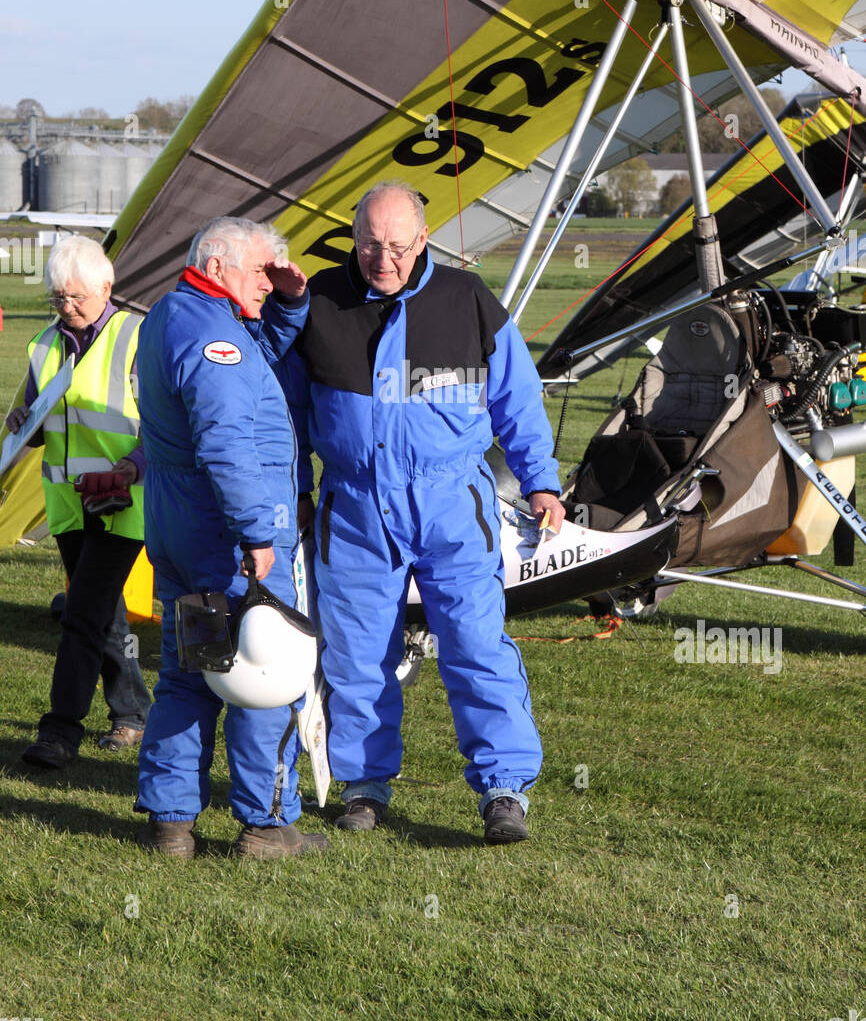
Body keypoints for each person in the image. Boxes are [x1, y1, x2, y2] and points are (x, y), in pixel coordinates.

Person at [278, 181, 565, 844]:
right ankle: (363, 784)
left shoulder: (468, 302)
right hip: (352, 505)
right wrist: (296, 490)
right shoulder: (317, 302)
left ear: (424, 239)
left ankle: (504, 789)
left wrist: (541, 482)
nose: (384, 260)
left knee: (475, 642)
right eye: (371, 245)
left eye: (399, 247)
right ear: (354, 239)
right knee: (354, 653)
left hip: (451, 504)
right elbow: (288, 414)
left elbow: (517, 400)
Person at [133, 217, 328, 860]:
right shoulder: (215, 337)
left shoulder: (177, 314)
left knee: (191, 671)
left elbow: (254, 359)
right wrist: (255, 532)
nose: (267, 287)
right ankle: (266, 827)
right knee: (263, 676)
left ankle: (170, 824)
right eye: (258, 274)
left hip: (181, 524)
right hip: (230, 535)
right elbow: (226, 442)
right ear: (217, 267)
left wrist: (291, 303)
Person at [6, 234, 152, 769]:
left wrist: (134, 465)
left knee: (81, 616)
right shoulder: (43, 345)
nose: (67, 308)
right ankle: (133, 711)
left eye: (76, 298)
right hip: (68, 506)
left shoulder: (136, 336)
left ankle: (59, 731)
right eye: (58, 299)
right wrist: (20, 423)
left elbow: (162, 423)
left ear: (106, 287)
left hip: (122, 503)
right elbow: (31, 419)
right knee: (102, 614)